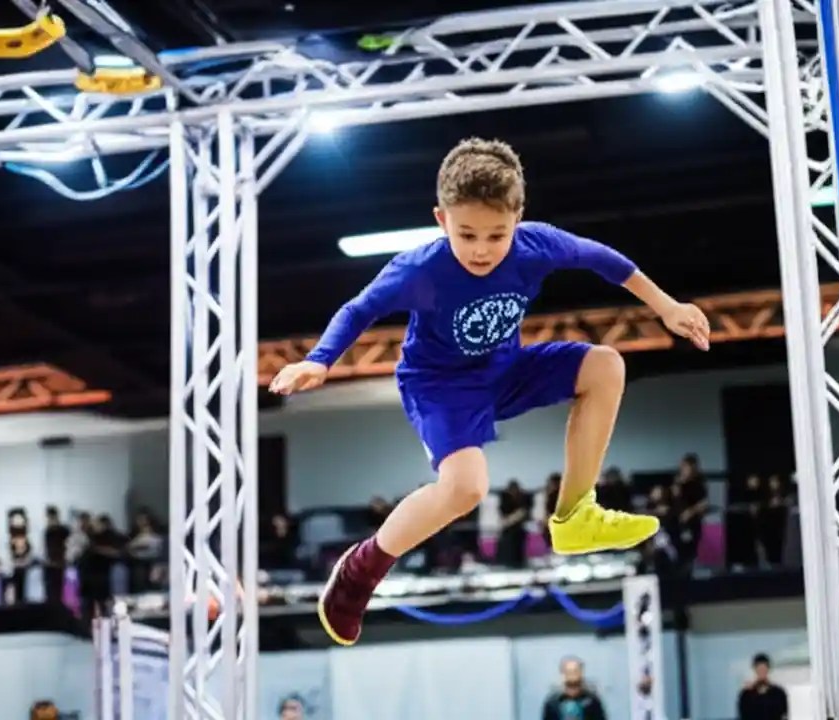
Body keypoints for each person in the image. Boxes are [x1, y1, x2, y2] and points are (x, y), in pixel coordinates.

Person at [269, 137, 711, 646]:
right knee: (467, 488)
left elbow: (607, 262)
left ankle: (574, 514)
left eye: (496, 235)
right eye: (467, 234)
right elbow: (358, 309)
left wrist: (667, 306)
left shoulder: (536, 244)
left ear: (519, 218)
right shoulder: (420, 269)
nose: (481, 249)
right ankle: (361, 569)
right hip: (441, 386)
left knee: (605, 366)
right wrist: (320, 359)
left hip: (505, 369)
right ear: (441, 220)